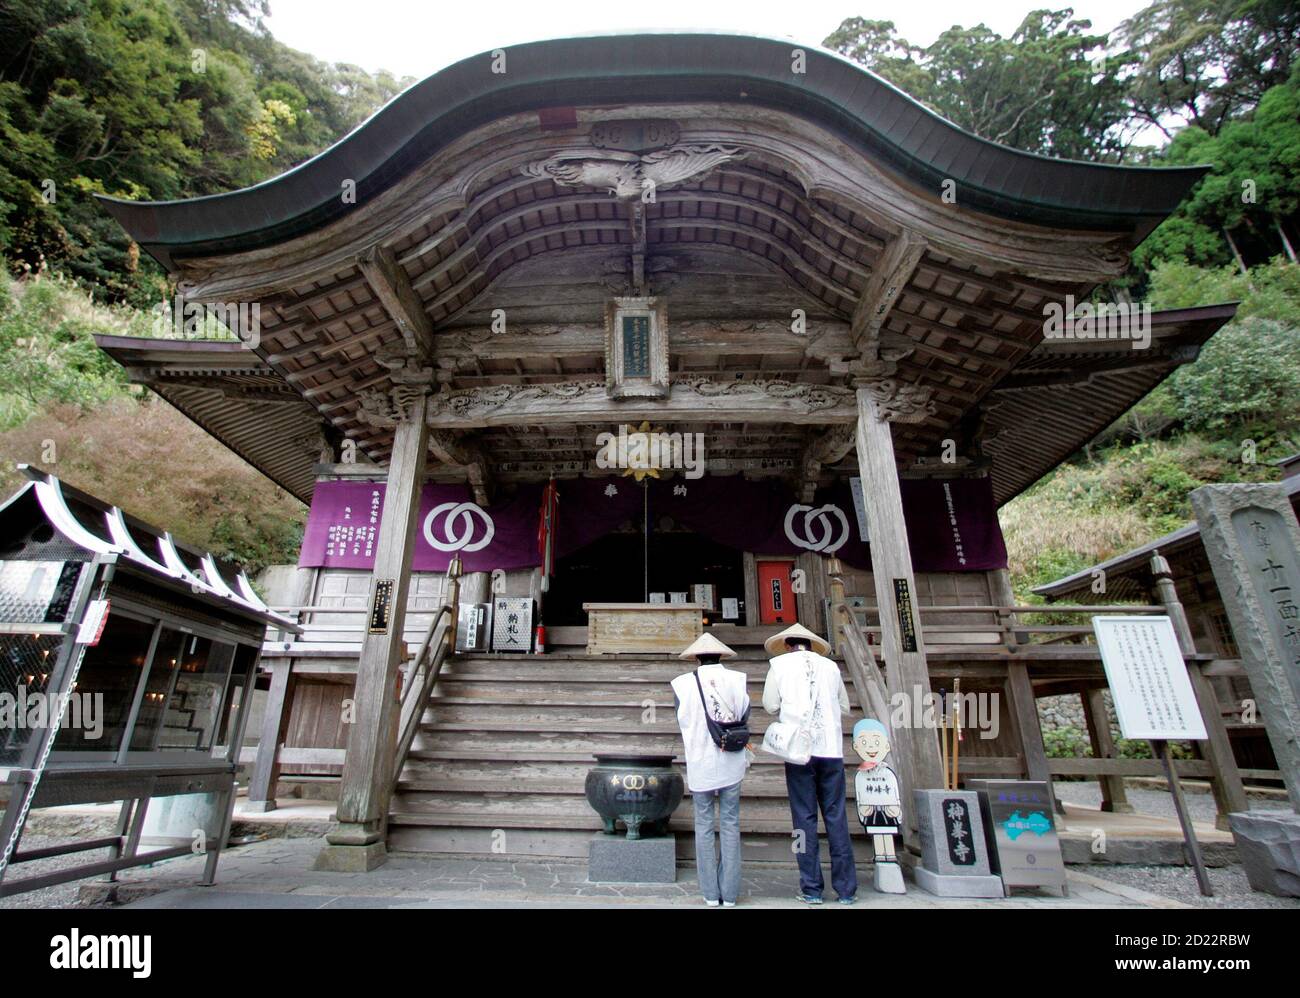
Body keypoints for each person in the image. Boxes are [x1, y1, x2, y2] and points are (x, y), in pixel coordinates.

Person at [762, 622, 857, 905]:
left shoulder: (778, 665)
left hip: (798, 751)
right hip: (830, 748)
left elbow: (770, 705)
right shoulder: (830, 667)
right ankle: (846, 889)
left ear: (788, 644)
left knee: (803, 818)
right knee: (836, 816)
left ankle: (812, 887)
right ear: (812, 645)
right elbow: (844, 705)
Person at [671, 632, 751, 907]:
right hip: (731, 759)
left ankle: (709, 893)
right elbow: (744, 716)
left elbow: (680, 718)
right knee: (730, 823)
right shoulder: (738, 680)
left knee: (703, 824)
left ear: (695, 657)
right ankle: (729, 893)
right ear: (721, 655)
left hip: (700, 758)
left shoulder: (681, 684)